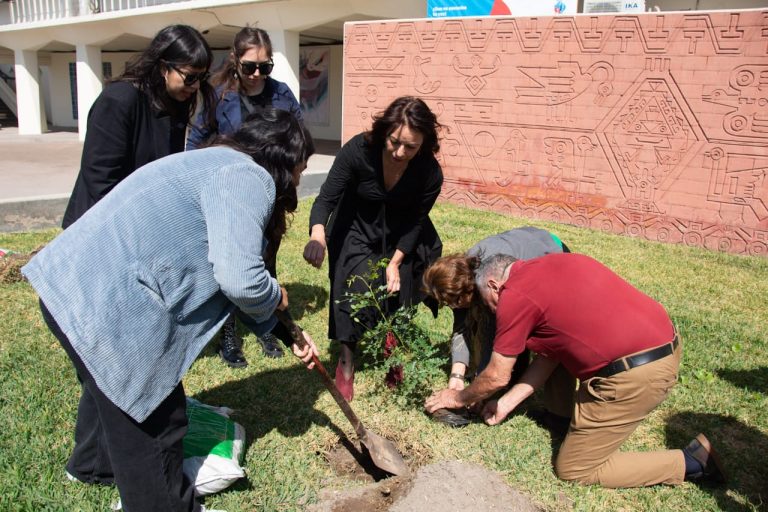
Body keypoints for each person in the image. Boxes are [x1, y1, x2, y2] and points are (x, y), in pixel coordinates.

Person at [22, 109, 318, 512]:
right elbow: (242, 280)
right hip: (109, 303)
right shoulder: (248, 176)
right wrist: (275, 295)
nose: (298, 182)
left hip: (69, 286)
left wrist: (285, 332)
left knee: (107, 383)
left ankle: (95, 465)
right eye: (300, 170)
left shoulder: (216, 160)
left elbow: (230, 280)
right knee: (158, 422)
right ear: (285, 160)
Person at [425, 252, 726, 488]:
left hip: (637, 374)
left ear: (493, 284)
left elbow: (496, 375)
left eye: (489, 301)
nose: (493, 310)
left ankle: (692, 461)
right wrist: (504, 404)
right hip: (662, 342)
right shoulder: (554, 263)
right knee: (554, 347)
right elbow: (550, 355)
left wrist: (457, 398)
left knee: (575, 469)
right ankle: (560, 419)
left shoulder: (515, 297)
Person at [303, 96, 443, 401]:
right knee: (352, 284)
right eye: (394, 142)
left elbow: (417, 222)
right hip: (356, 225)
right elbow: (326, 198)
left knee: (402, 285)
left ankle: (392, 347)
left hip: (401, 231)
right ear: (384, 132)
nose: (400, 152)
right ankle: (346, 361)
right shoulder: (358, 151)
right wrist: (317, 235)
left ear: (424, 143)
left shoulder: (429, 172)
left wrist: (395, 261)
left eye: (411, 147)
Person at [187, 26, 304, 367]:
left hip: (270, 191)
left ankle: (267, 327)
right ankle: (228, 333)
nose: (257, 74)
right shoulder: (218, 95)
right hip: (228, 193)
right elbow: (196, 142)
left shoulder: (281, 95)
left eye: (265, 67)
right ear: (235, 60)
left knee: (266, 259)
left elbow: (299, 139)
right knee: (229, 262)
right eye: (250, 66)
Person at [62, 24, 216, 228]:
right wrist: (133, 226)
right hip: (100, 225)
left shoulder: (174, 101)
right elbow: (100, 178)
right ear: (163, 68)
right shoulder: (119, 100)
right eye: (190, 77)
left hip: (140, 223)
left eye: (201, 77)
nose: (196, 86)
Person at [422, 227, 574, 431]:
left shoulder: (491, 283)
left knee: (541, 330)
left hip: (551, 251)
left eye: (456, 302)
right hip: (521, 242)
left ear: (469, 289)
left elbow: (495, 336)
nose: (454, 308)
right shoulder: (459, 278)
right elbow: (461, 326)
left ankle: (557, 415)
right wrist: (457, 376)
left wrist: (480, 388)